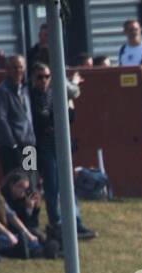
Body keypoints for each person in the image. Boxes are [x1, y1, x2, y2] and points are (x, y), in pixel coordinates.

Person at [28, 61, 94, 242]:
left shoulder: (55, 93)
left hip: (60, 146)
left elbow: (70, 117)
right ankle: (56, 222)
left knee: (68, 186)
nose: (44, 81)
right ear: (33, 78)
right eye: (40, 77)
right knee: (52, 186)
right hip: (42, 148)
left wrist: (68, 102)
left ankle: (75, 221)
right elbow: (40, 121)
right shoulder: (31, 96)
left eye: (47, 77)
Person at [0, 165, 48, 259]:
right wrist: (9, 234)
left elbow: (12, 216)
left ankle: (41, 251)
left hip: (2, 232)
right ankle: (32, 252)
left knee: (32, 239)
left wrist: (33, 210)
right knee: (14, 240)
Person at [0, 56, 33, 178]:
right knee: (14, 182)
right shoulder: (1, 91)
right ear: (7, 69)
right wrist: (12, 144)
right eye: (14, 68)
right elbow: (0, 119)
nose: (18, 71)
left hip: (28, 143)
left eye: (21, 67)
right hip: (11, 146)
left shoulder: (25, 89)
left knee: (29, 180)